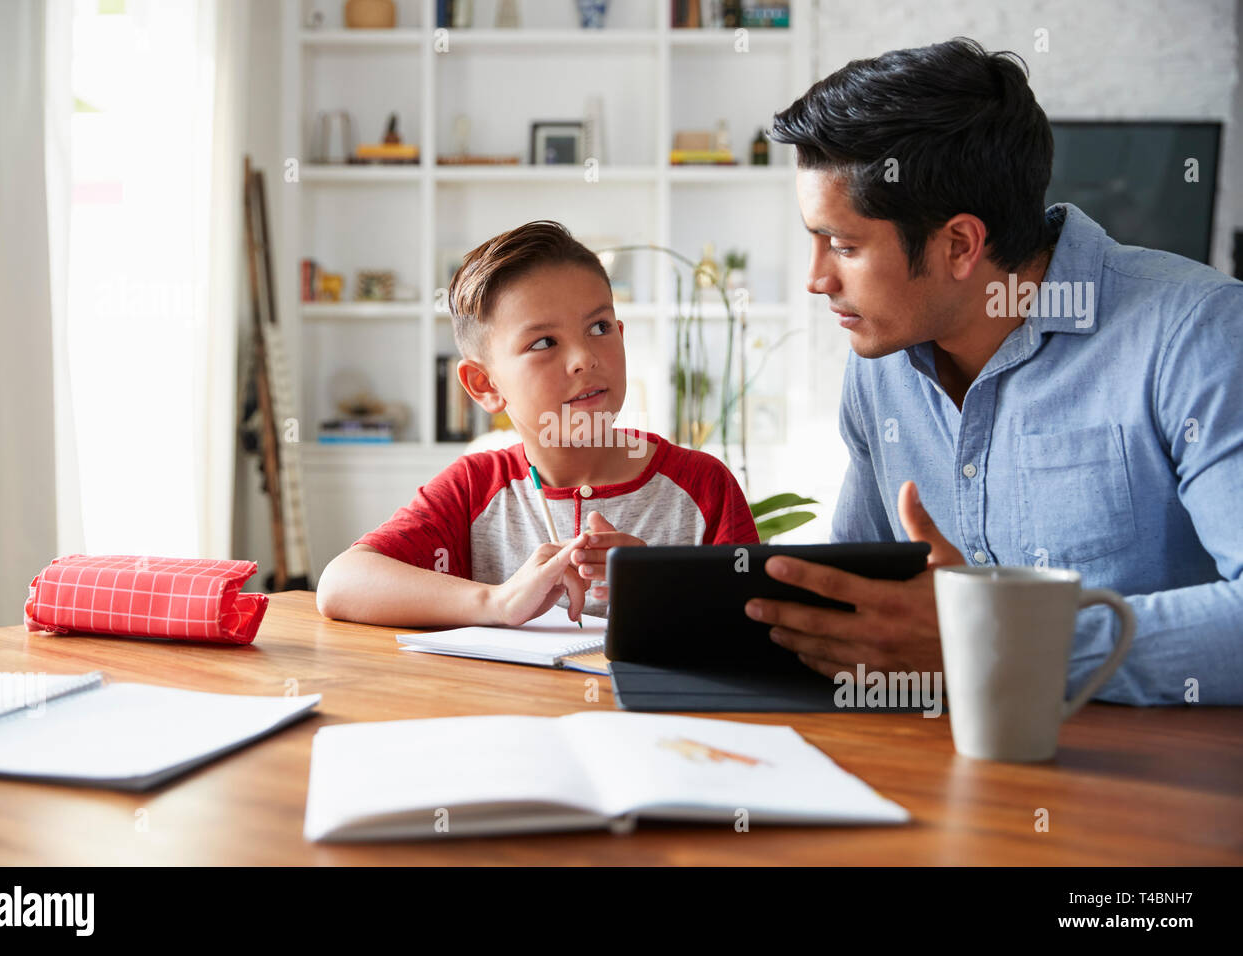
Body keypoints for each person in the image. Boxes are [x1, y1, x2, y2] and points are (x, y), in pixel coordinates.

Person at [745, 37, 1243, 705]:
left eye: (842, 245)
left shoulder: (1197, 333)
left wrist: (994, 643)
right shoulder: (879, 370)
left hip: (1148, 787)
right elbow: (859, 605)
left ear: (959, 245)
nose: (816, 279)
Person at [316, 220, 758, 628]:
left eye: (599, 327)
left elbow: (760, 631)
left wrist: (663, 586)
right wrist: (499, 602)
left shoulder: (704, 487)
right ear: (484, 384)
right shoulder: (474, 488)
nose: (585, 357)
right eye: (544, 342)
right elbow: (341, 583)